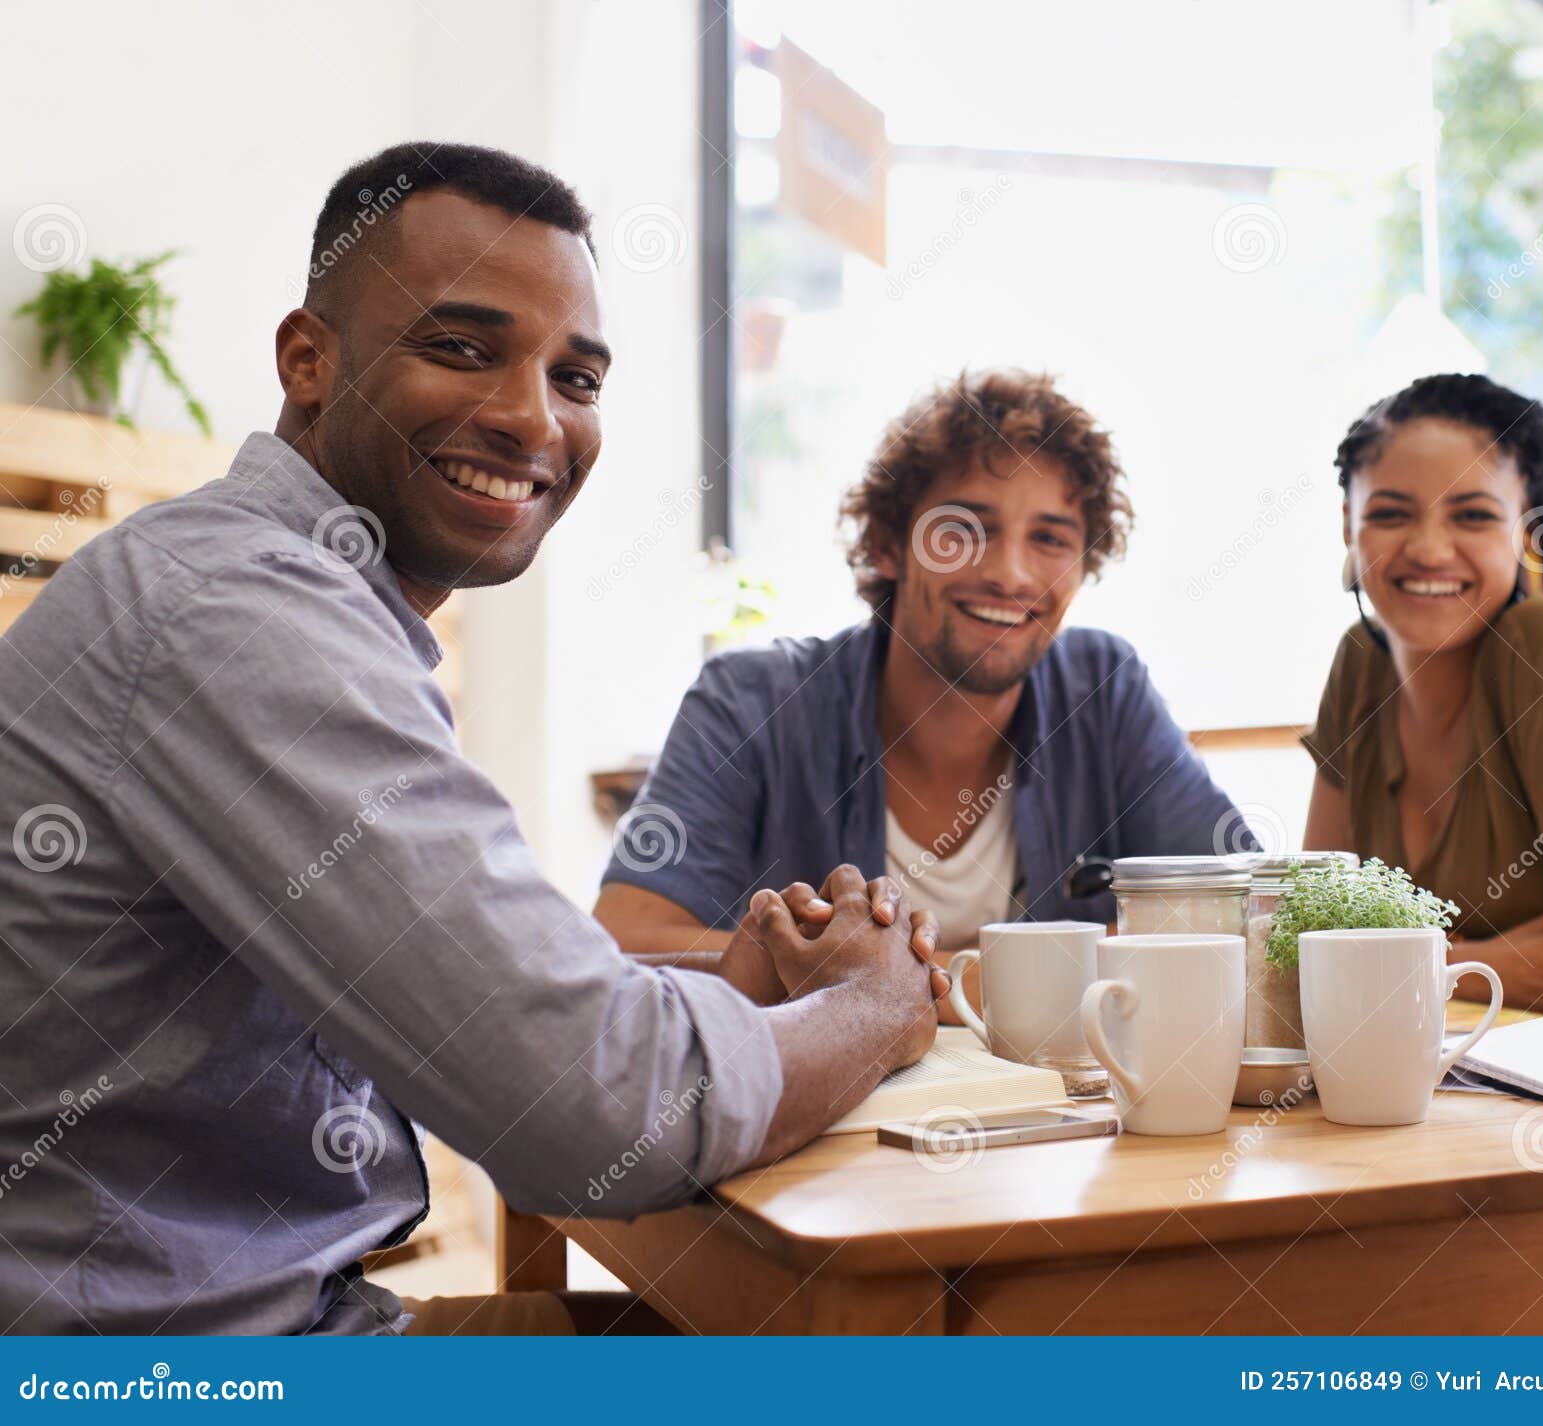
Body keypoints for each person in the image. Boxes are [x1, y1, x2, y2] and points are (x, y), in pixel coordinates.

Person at [0, 142, 942, 1336]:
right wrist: (874, 1006)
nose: (530, 417)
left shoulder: (285, 597)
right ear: (307, 359)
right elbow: (598, 1114)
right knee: (875, 1355)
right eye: (460, 348)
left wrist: (736, 988)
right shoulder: (239, 614)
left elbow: (514, 997)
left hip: (278, 1317)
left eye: (576, 377)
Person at [595, 368, 1253, 984]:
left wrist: (886, 976)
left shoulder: (1105, 692)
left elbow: (1247, 914)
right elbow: (627, 941)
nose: (1011, 574)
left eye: (1050, 539)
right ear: (888, 543)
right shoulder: (751, 701)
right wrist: (921, 980)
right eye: (965, 529)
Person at [1302, 372, 1543, 1011]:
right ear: (1348, 524)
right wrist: (1485, 963)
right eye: (1390, 513)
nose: (1430, 549)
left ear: (1529, 531)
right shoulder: (1359, 663)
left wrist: (1408, 960)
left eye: (1473, 515)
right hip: (1415, 1064)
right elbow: (1306, 941)